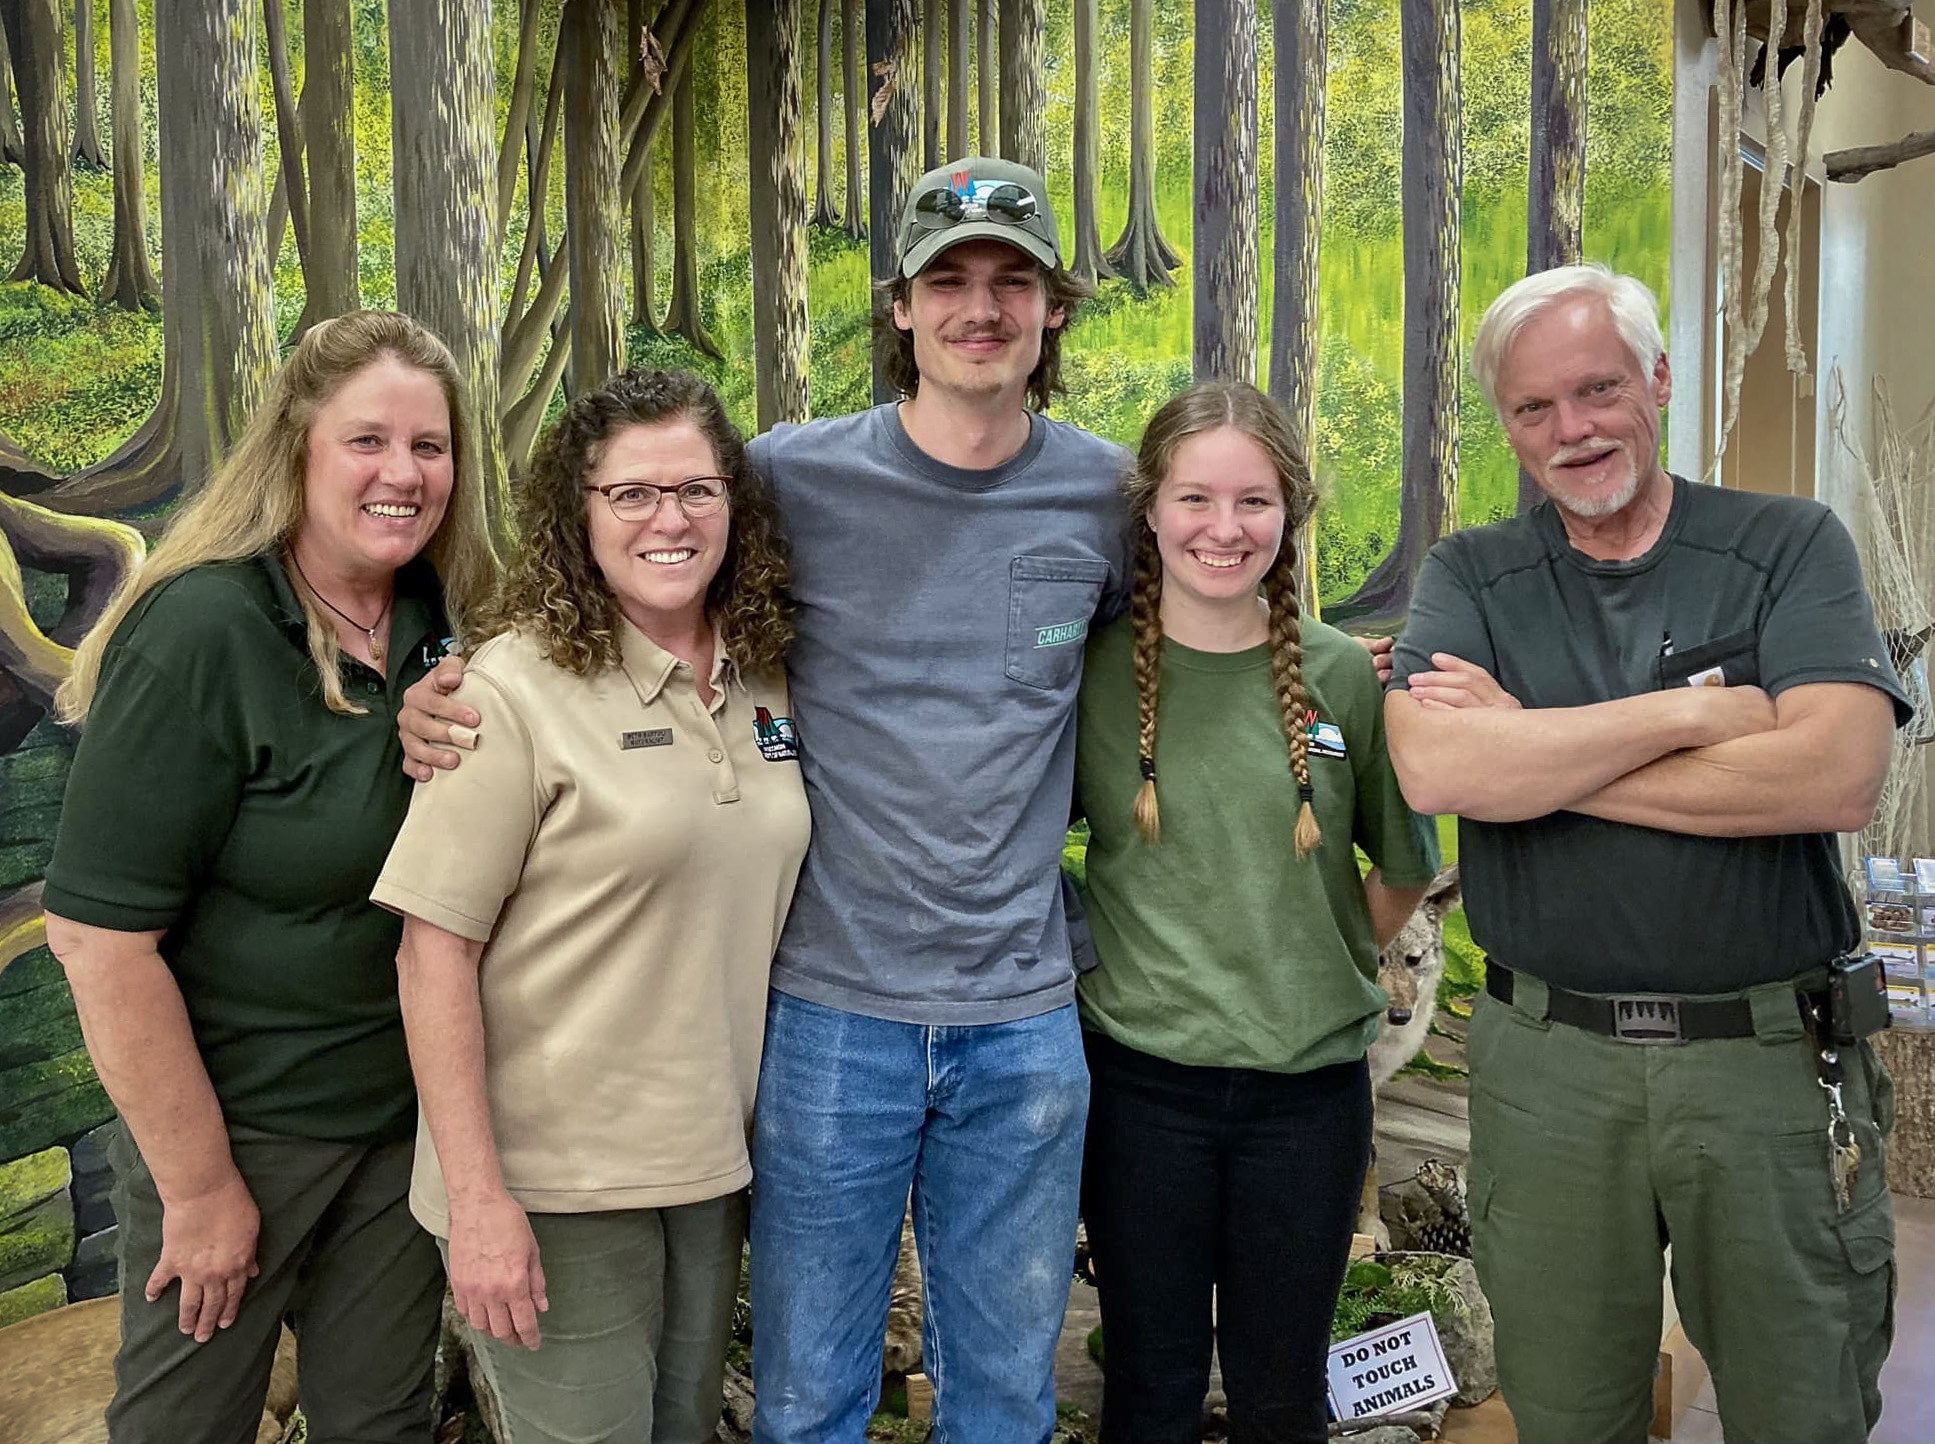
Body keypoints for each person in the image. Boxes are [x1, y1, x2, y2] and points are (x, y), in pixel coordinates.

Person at [395, 156, 1391, 1444]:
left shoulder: (1102, 497)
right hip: (830, 1017)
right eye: (951, 282)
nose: (982, 308)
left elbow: (1210, 595)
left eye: (1012, 282)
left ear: (1051, 313)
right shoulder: (787, 480)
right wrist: (458, 672)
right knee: (813, 1395)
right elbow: (644, 557)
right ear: (903, 311)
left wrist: (1351, 672)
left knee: (1005, 1393)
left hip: (1025, 1025)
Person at [1385, 263, 1903, 1443]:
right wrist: (1689, 717)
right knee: (1568, 1413)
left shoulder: (1786, 547)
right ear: (1509, 426)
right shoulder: (1473, 576)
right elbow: (1440, 771)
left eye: (1599, 387)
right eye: (1534, 408)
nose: (1572, 429)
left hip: (1767, 1064)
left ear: (1658, 380)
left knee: (1803, 1407)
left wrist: (1538, 749)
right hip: (1550, 1070)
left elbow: (1836, 777)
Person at [41, 311, 498, 1444]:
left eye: (430, 446)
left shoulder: (442, 618)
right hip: (238, 1126)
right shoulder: (202, 630)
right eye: (367, 441)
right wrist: (199, 1192)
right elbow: (98, 942)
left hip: (398, 1132)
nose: (403, 473)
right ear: (296, 445)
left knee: (378, 1423)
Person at [370, 368, 807, 1444]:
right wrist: (479, 1203)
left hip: (707, 1165)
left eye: (698, 489)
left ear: (735, 506)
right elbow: (430, 957)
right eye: (633, 494)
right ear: (581, 513)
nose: (671, 518)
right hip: (551, 1184)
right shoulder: (505, 694)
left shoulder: (766, 677)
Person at [1074, 381, 1438, 1444]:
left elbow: (1405, 869)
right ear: (1148, 509)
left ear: (1291, 511)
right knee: (1150, 1385)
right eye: (1195, 499)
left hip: (1307, 1101)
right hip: (1142, 1094)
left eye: (1253, 501)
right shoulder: (1091, 678)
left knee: (1282, 1396)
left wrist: (1311, 955)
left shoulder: (1340, 676)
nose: (1223, 529)